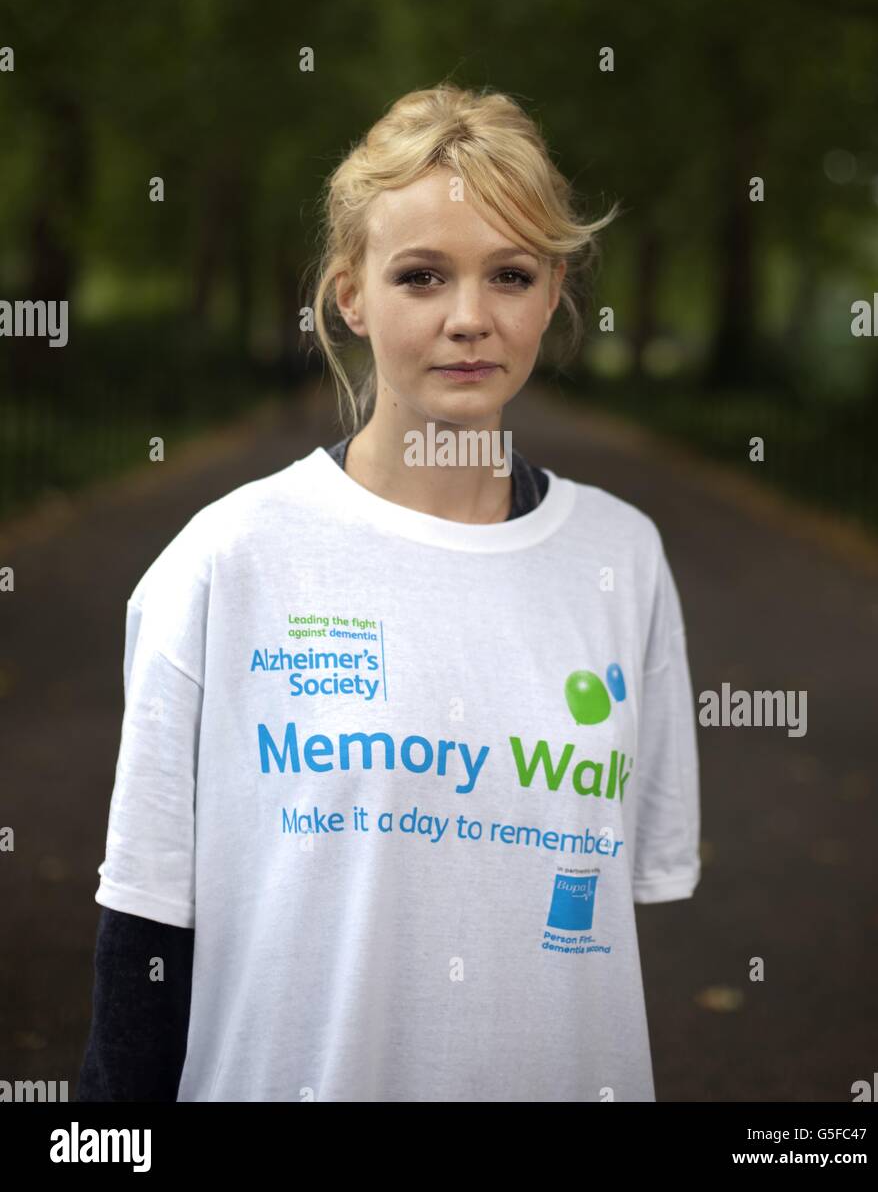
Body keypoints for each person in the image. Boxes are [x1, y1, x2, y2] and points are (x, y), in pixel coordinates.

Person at [77, 82, 701, 1102]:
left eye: (509, 273)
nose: (469, 317)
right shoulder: (225, 560)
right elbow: (144, 941)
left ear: (553, 294)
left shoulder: (620, 559)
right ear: (350, 295)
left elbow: (601, 914)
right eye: (420, 276)